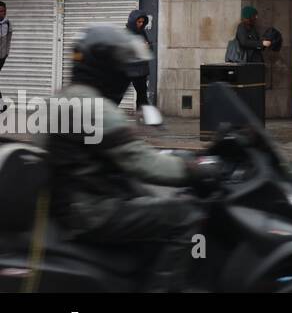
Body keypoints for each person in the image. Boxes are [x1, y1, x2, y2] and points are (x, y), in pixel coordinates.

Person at [43, 26, 217, 291]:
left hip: (71, 206)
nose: (123, 77)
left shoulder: (63, 98)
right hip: (94, 212)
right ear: (105, 68)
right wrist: (195, 168)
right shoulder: (94, 106)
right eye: (120, 68)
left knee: (148, 198)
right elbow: (143, 164)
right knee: (184, 214)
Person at [124, 9, 163, 124]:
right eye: (138, 22)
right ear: (133, 21)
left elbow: (149, 50)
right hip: (129, 70)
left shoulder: (142, 33)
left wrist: (147, 47)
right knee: (118, 94)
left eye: (142, 22)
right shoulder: (126, 34)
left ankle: (142, 119)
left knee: (142, 96)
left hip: (141, 70)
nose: (140, 24)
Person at [0, 1, 10, 114]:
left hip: (1, 57)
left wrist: (6, 54)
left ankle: (2, 106)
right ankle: (2, 106)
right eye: (0, 11)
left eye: (4, 11)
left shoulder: (7, 24)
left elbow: (8, 40)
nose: (2, 13)